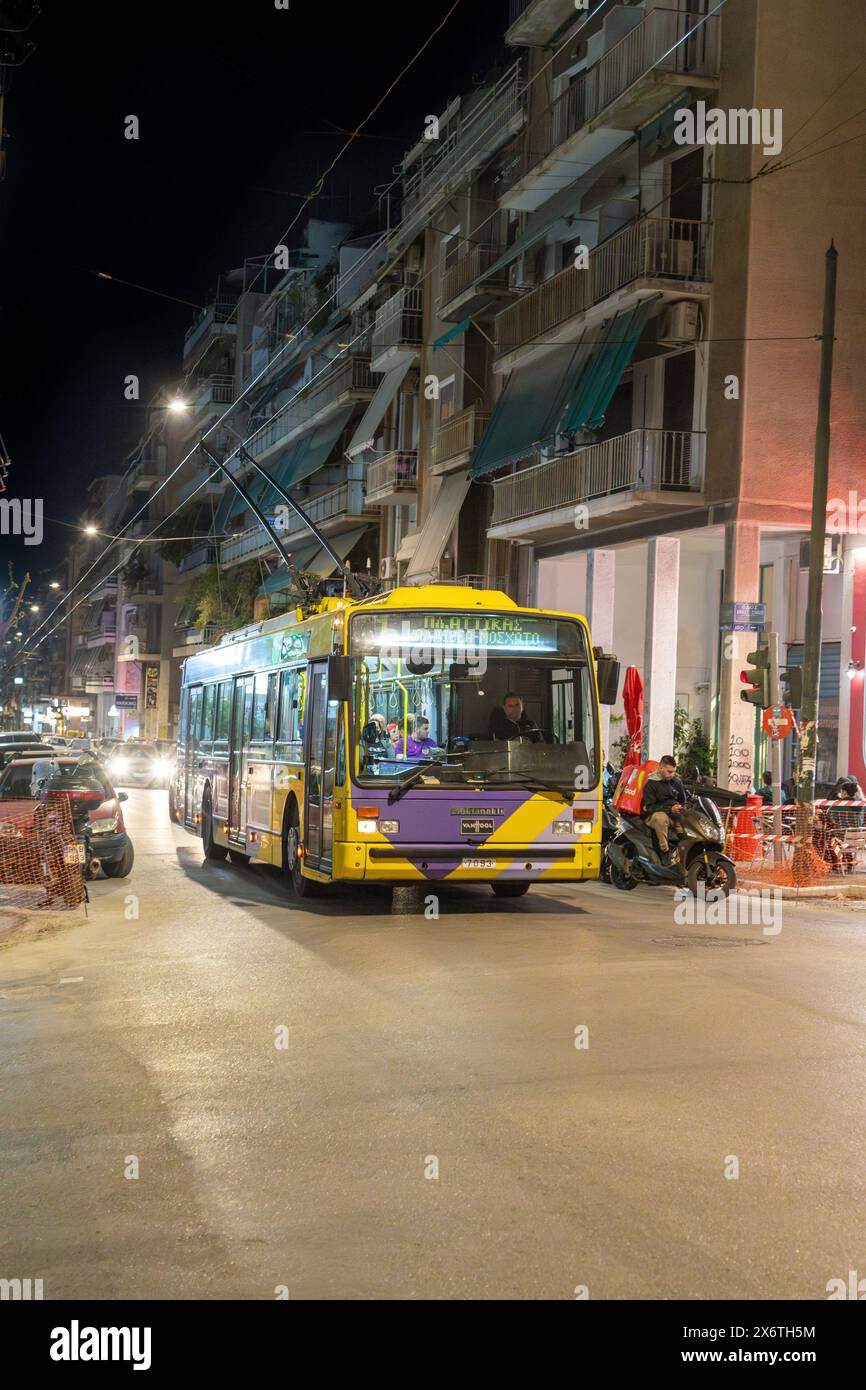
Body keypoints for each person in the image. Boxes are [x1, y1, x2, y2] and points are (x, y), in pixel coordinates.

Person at [642, 754, 686, 860]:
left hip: (674, 815)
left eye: (674, 771)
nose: (672, 774)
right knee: (660, 818)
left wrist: (680, 807)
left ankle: (684, 853)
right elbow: (650, 807)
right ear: (661, 768)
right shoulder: (650, 783)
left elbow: (683, 800)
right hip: (654, 815)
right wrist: (669, 809)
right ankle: (665, 851)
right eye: (669, 772)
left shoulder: (676, 781)